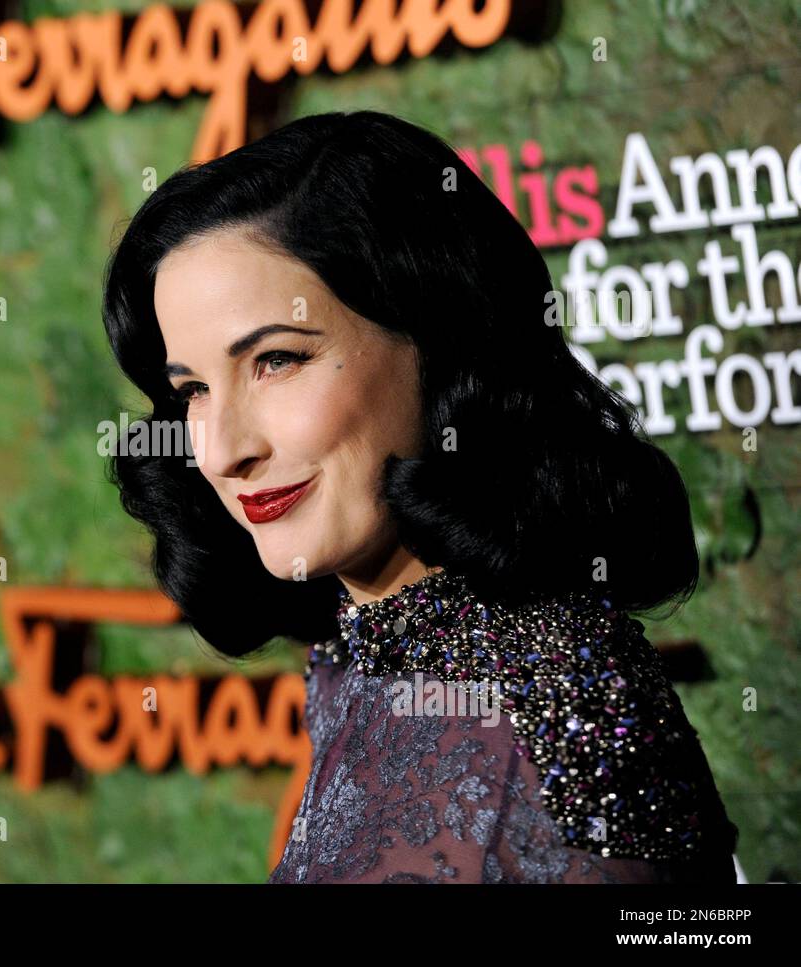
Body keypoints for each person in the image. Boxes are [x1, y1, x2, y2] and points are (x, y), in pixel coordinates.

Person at [99, 109, 739, 883]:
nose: (226, 448)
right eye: (193, 390)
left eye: (275, 360)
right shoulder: (348, 659)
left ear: (438, 340)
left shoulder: (561, 688)